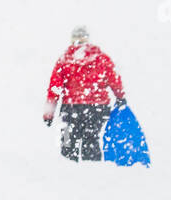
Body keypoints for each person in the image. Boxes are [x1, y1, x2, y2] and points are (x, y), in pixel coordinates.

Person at [43, 26, 125, 162]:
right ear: (87, 39)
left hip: (71, 108)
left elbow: (55, 89)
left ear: (72, 40)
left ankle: (68, 168)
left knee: (67, 141)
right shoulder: (101, 58)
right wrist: (120, 97)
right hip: (97, 108)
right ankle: (92, 170)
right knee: (91, 140)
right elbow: (114, 80)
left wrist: (49, 113)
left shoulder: (64, 60)